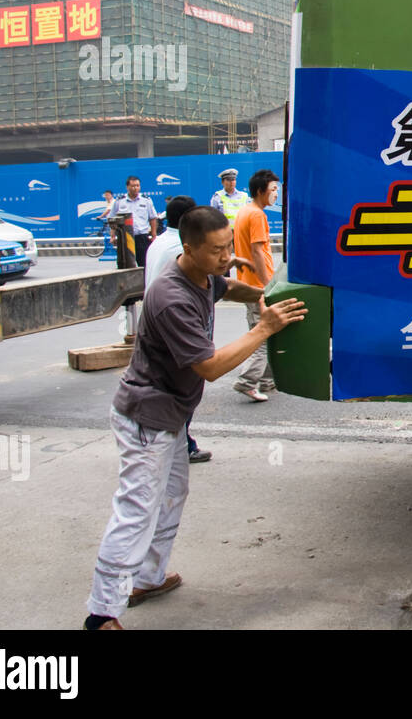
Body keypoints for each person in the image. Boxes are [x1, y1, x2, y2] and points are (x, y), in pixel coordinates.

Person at [84, 205, 307, 630]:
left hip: (171, 416)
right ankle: (101, 612)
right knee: (136, 510)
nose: (227, 257)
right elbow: (209, 368)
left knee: (169, 499)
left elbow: (226, 287)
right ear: (189, 248)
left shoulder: (199, 274)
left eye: (229, 248)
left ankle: (146, 579)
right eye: (218, 251)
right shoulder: (171, 298)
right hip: (147, 418)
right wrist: (264, 328)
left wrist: (262, 293)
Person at [146, 195, 211, 464]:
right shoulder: (182, 249)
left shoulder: (158, 242)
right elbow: (211, 367)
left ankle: (179, 442)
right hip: (173, 325)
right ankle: (180, 444)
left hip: (157, 322)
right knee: (179, 387)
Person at [232, 169, 279, 402]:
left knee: (263, 331)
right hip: (258, 286)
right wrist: (268, 286)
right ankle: (247, 381)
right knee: (262, 334)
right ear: (260, 191)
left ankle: (267, 380)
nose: (276, 194)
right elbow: (258, 251)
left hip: (247, 284)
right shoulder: (257, 216)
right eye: (272, 190)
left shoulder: (245, 211)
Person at [109, 175, 158, 268]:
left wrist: (154, 235)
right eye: (133, 186)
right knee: (124, 265)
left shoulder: (146, 200)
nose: (135, 188)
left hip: (141, 237)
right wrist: (112, 235)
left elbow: (153, 218)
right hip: (124, 238)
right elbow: (113, 219)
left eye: (137, 185)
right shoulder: (120, 201)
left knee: (144, 265)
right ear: (127, 187)